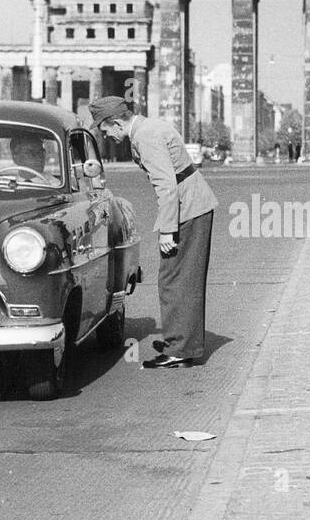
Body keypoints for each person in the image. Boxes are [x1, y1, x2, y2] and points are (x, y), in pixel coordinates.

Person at [91, 96, 218, 368]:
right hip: (194, 203)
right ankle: (182, 341)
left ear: (114, 122)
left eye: (104, 129)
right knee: (183, 277)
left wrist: (168, 231)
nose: (106, 136)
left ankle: (179, 350)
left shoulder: (144, 137)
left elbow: (167, 187)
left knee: (174, 278)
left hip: (187, 209)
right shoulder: (148, 128)